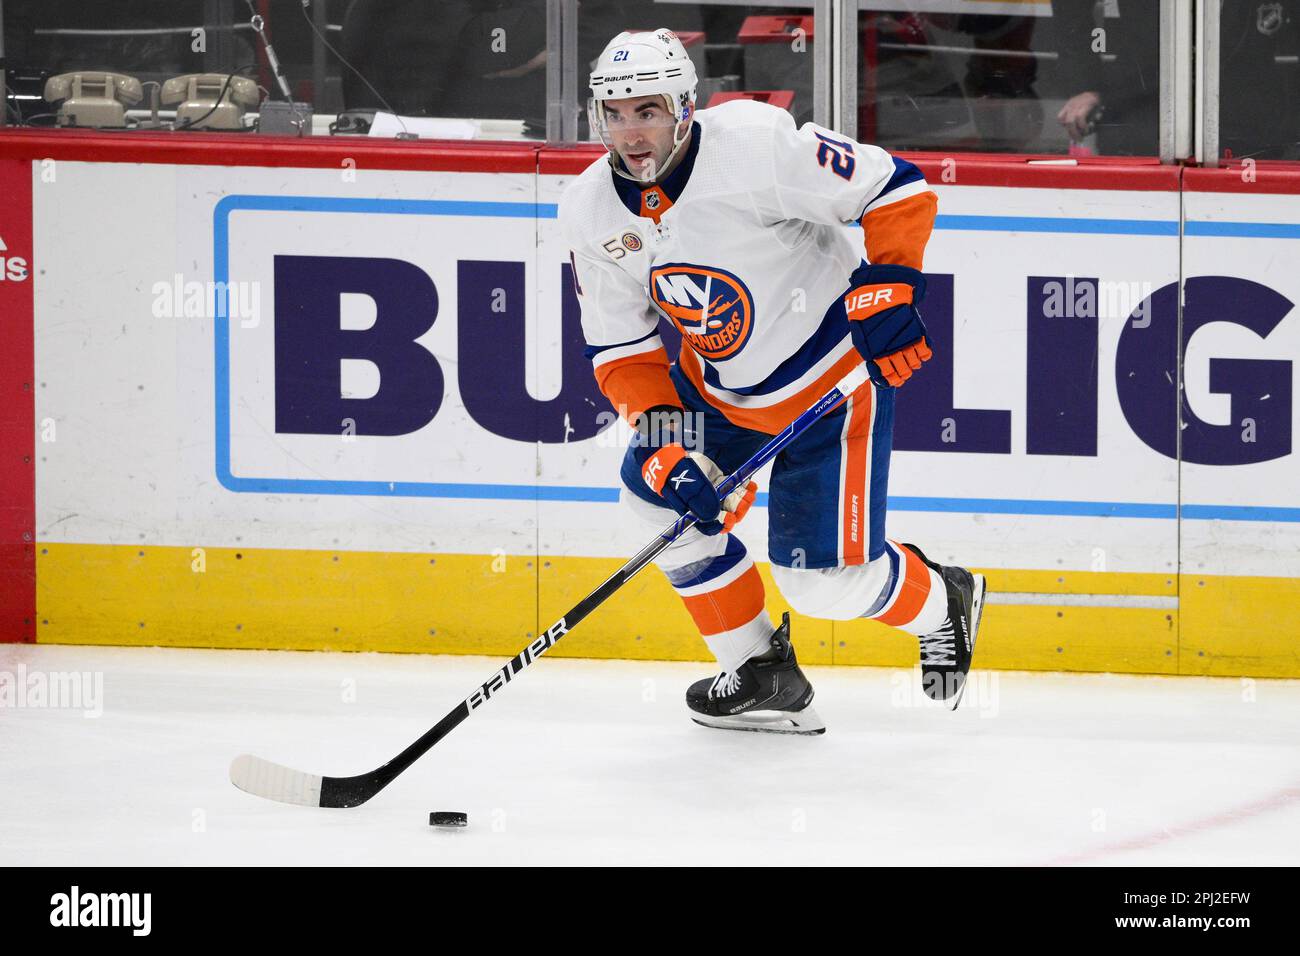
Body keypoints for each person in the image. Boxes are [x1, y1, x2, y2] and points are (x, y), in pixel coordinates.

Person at [558, 29, 985, 735]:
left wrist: (890, 287)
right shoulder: (589, 209)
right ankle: (762, 671)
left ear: (684, 107)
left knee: (823, 586)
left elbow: (893, 186)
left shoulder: (753, 147)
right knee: (656, 501)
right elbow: (621, 348)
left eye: (648, 111)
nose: (631, 133)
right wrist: (666, 446)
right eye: (616, 113)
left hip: (831, 385)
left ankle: (944, 601)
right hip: (716, 391)